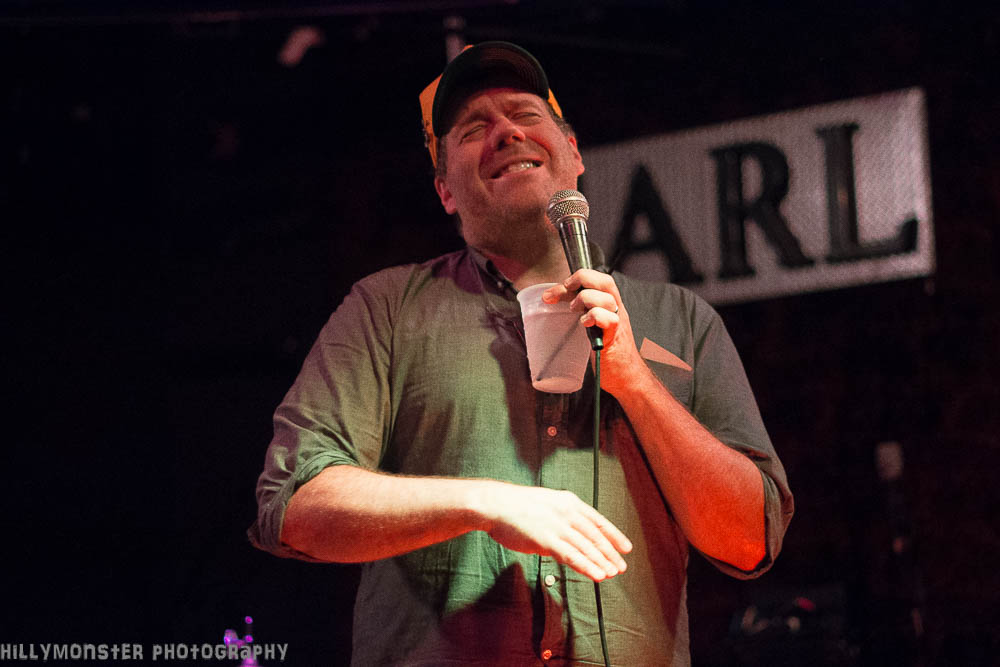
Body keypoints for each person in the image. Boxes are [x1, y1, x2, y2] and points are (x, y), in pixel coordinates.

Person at [249, 41, 793, 666]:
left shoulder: (683, 320)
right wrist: (485, 503)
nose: (506, 132)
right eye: (473, 129)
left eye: (526, 114)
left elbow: (749, 539)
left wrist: (635, 382)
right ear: (445, 191)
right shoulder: (387, 309)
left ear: (574, 155)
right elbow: (294, 505)